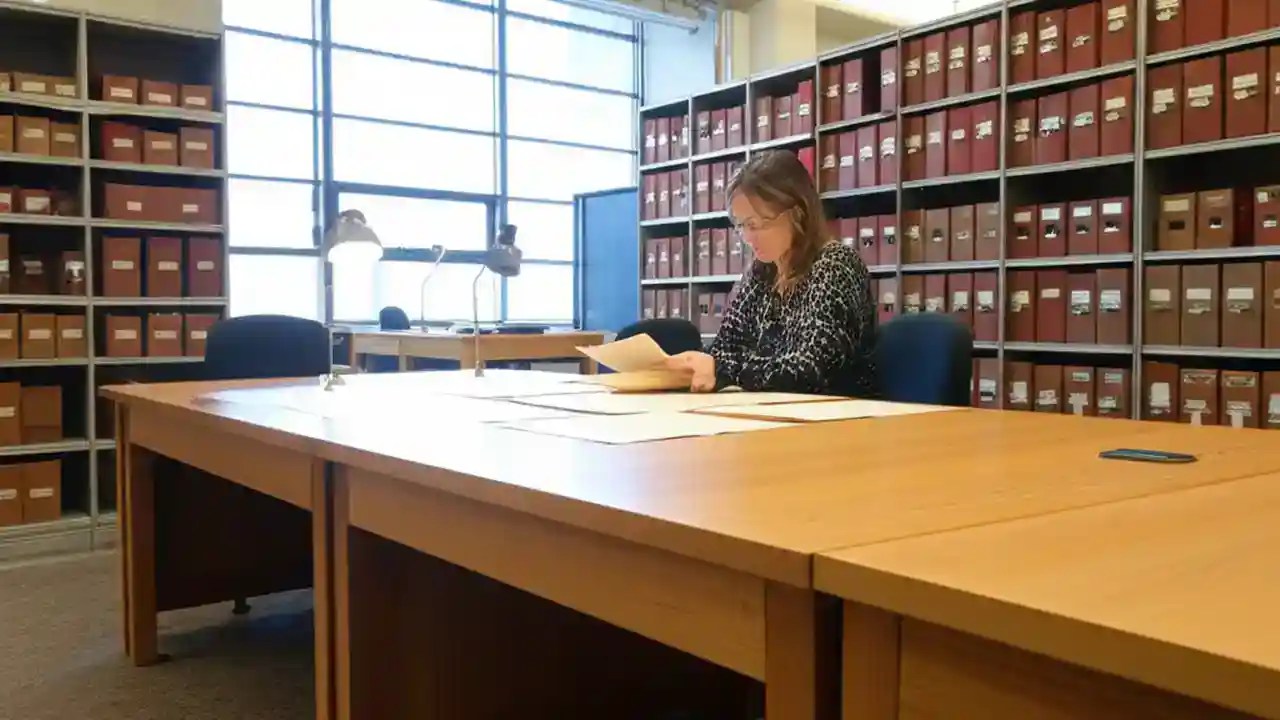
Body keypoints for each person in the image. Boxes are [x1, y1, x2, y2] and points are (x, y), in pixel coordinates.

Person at [666, 150, 876, 396]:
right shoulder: (761, 272)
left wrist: (721, 370)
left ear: (797, 213)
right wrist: (706, 366)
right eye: (741, 226)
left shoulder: (836, 265)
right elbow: (724, 348)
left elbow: (812, 370)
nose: (747, 238)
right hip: (774, 415)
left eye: (755, 224)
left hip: (837, 419)